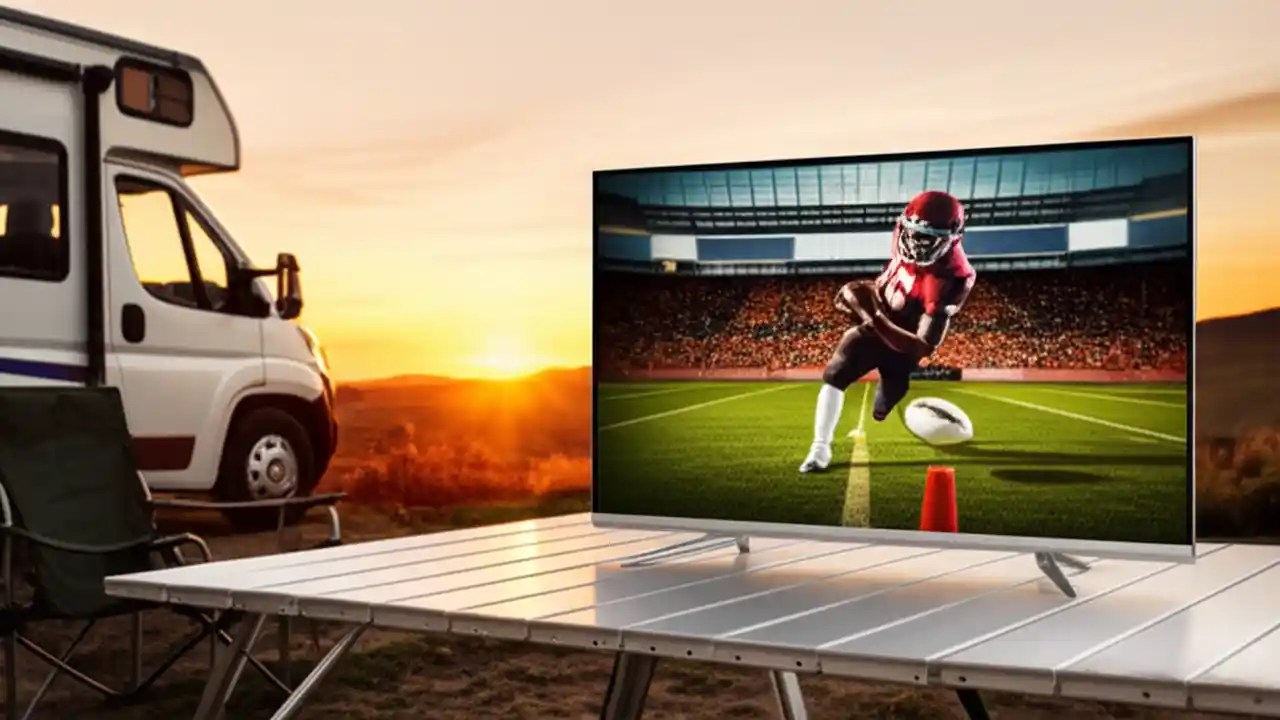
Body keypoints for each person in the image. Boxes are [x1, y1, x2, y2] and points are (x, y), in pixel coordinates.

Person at [798, 189, 977, 473]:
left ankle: (884, 406)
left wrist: (870, 314)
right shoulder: (900, 231)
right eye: (913, 232)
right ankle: (820, 448)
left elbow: (922, 346)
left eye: (927, 237)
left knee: (889, 396)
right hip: (877, 321)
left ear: (953, 237)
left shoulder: (951, 276)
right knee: (835, 374)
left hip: (902, 341)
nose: (916, 242)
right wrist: (868, 301)